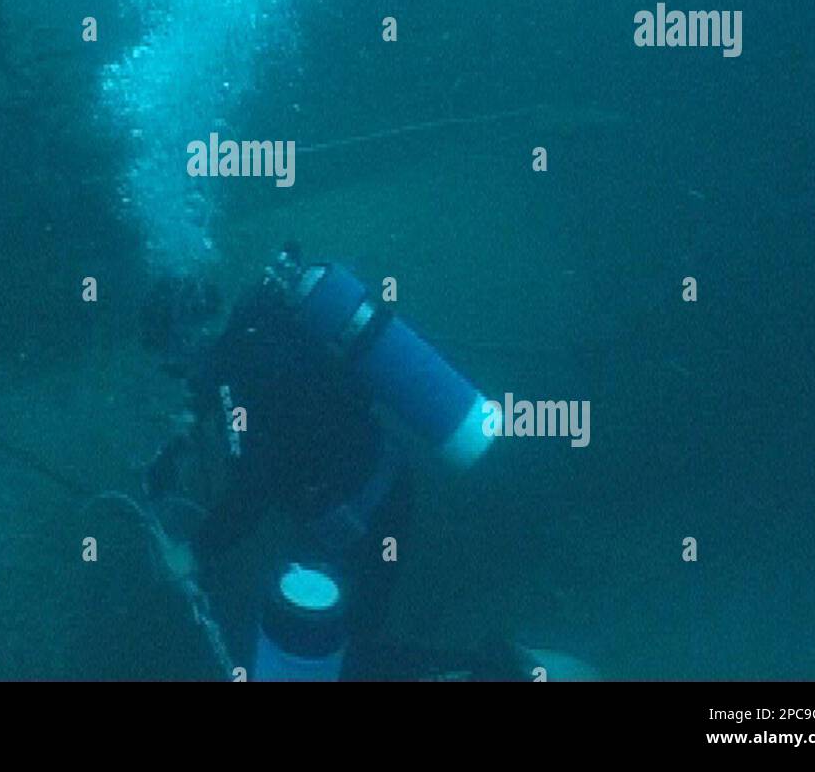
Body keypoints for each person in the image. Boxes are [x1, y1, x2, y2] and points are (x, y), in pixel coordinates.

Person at [144, 244, 598, 681]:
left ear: (188, 338)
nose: (177, 373)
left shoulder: (241, 371)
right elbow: (240, 403)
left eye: (173, 362)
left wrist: (192, 553)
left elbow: (251, 490)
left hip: (367, 516)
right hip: (376, 491)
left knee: (346, 656)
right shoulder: (259, 325)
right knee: (329, 636)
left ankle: (501, 672)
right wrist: (180, 438)